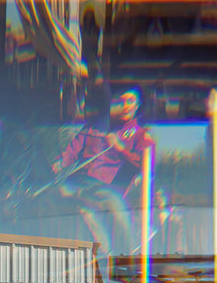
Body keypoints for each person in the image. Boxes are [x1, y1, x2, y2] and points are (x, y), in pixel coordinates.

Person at [52, 88, 155, 254]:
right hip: (77, 184)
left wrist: (120, 148)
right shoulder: (95, 126)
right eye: (121, 101)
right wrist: (61, 161)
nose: (125, 105)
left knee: (118, 211)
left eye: (130, 101)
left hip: (107, 188)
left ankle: (129, 256)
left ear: (138, 105)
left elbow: (146, 165)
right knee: (56, 199)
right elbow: (73, 149)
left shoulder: (140, 136)